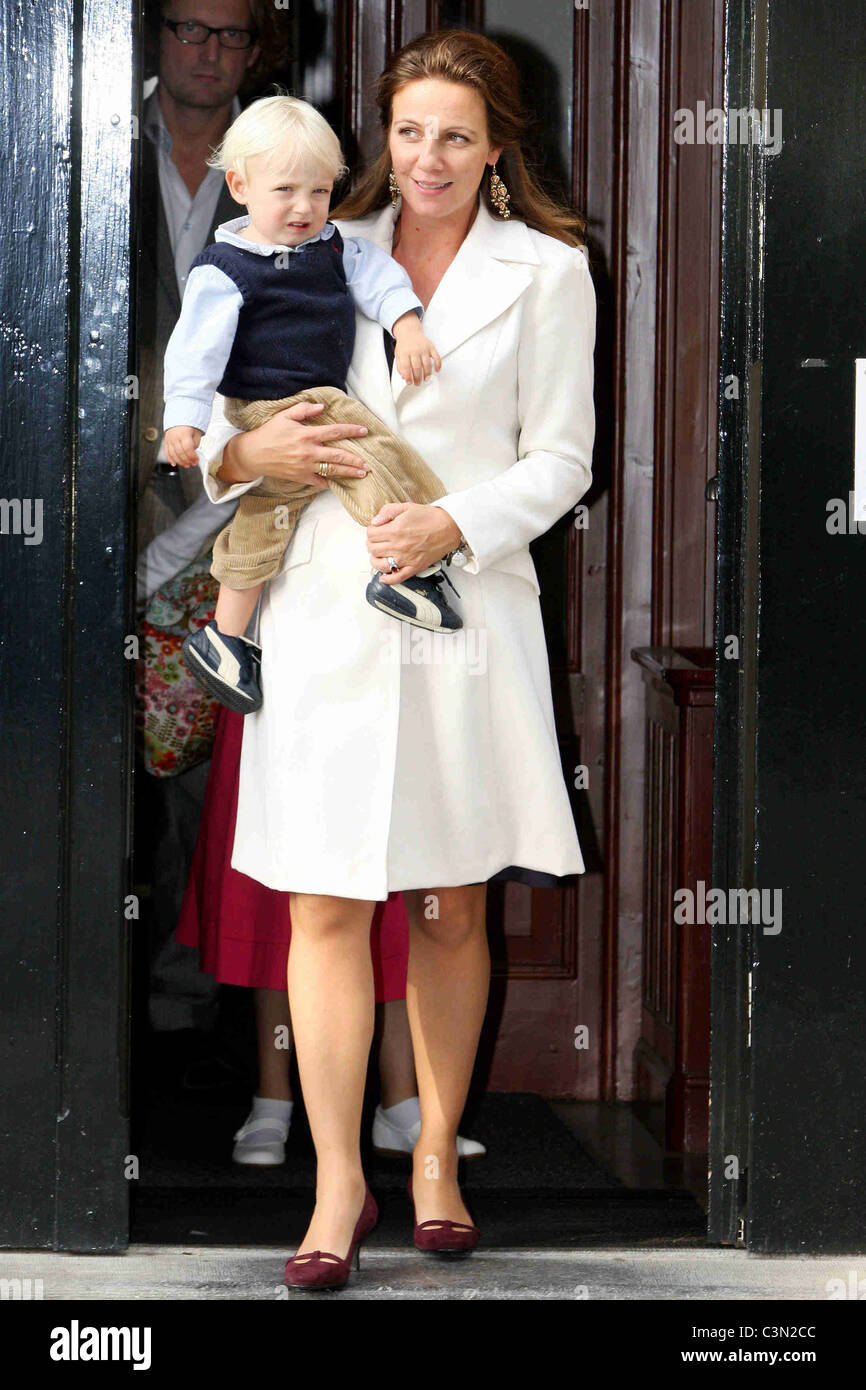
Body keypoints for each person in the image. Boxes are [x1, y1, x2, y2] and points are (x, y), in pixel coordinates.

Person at [194, 28, 596, 1289]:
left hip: (461, 613)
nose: (429, 157)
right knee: (318, 899)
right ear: (385, 137)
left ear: (496, 153)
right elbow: (214, 401)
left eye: (458, 137)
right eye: (410, 131)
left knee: (448, 898)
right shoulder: (309, 238)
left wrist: (449, 521)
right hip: (317, 612)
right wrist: (235, 461)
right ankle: (332, 1185)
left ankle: (432, 1160)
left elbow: (562, 459)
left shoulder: (547, 271)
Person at [161, 94, 461, 715]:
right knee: (366, 456)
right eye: (286, 191)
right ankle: (403, 569)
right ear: (240, 186)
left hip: (314, 399)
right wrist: (183, 419)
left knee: (265, 513)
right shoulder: (225, 270)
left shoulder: (335, 247)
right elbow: (195, 352)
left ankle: (226, 636)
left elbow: (381, 282)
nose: (305, 208)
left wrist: (407, 328)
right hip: (274, 405)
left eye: (321, 192)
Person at [174, 706, 487, 1164]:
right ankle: (272, 1098)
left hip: (403, 683)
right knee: (283, 899)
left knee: (400, 895)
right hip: (288, 678)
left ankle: (400, 1104)